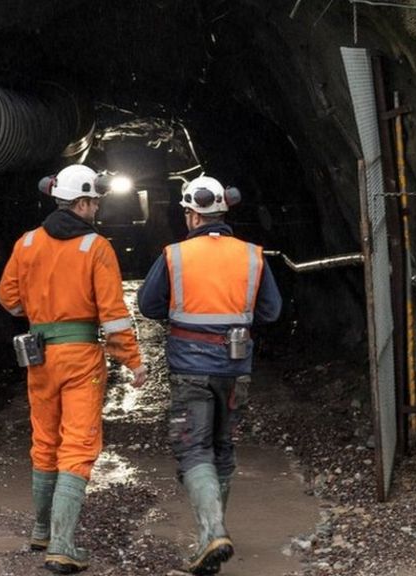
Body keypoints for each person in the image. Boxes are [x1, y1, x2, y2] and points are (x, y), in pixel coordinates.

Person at [0, 164, 148, 574]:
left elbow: (7, 298)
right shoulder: (96, 247)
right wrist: (132, 360)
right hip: (80, 355)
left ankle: (42, 529)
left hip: (39, 355)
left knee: (44, 440)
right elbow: (113, 314)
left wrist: (41, 314)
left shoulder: (26, 243)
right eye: (94, 201)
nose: (97, 207)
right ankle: (62, 546)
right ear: (81, 202)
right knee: (78, 446)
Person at [137, 175, 281, 575]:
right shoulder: (253, 255)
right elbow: (271, 311)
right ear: (223, 210)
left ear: (192, 215)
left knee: (193, 449)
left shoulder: (175, 255)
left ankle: (213, 531)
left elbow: (148, 305)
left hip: (190, 369)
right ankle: (209, 540)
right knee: (222, 448)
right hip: (236, 369)